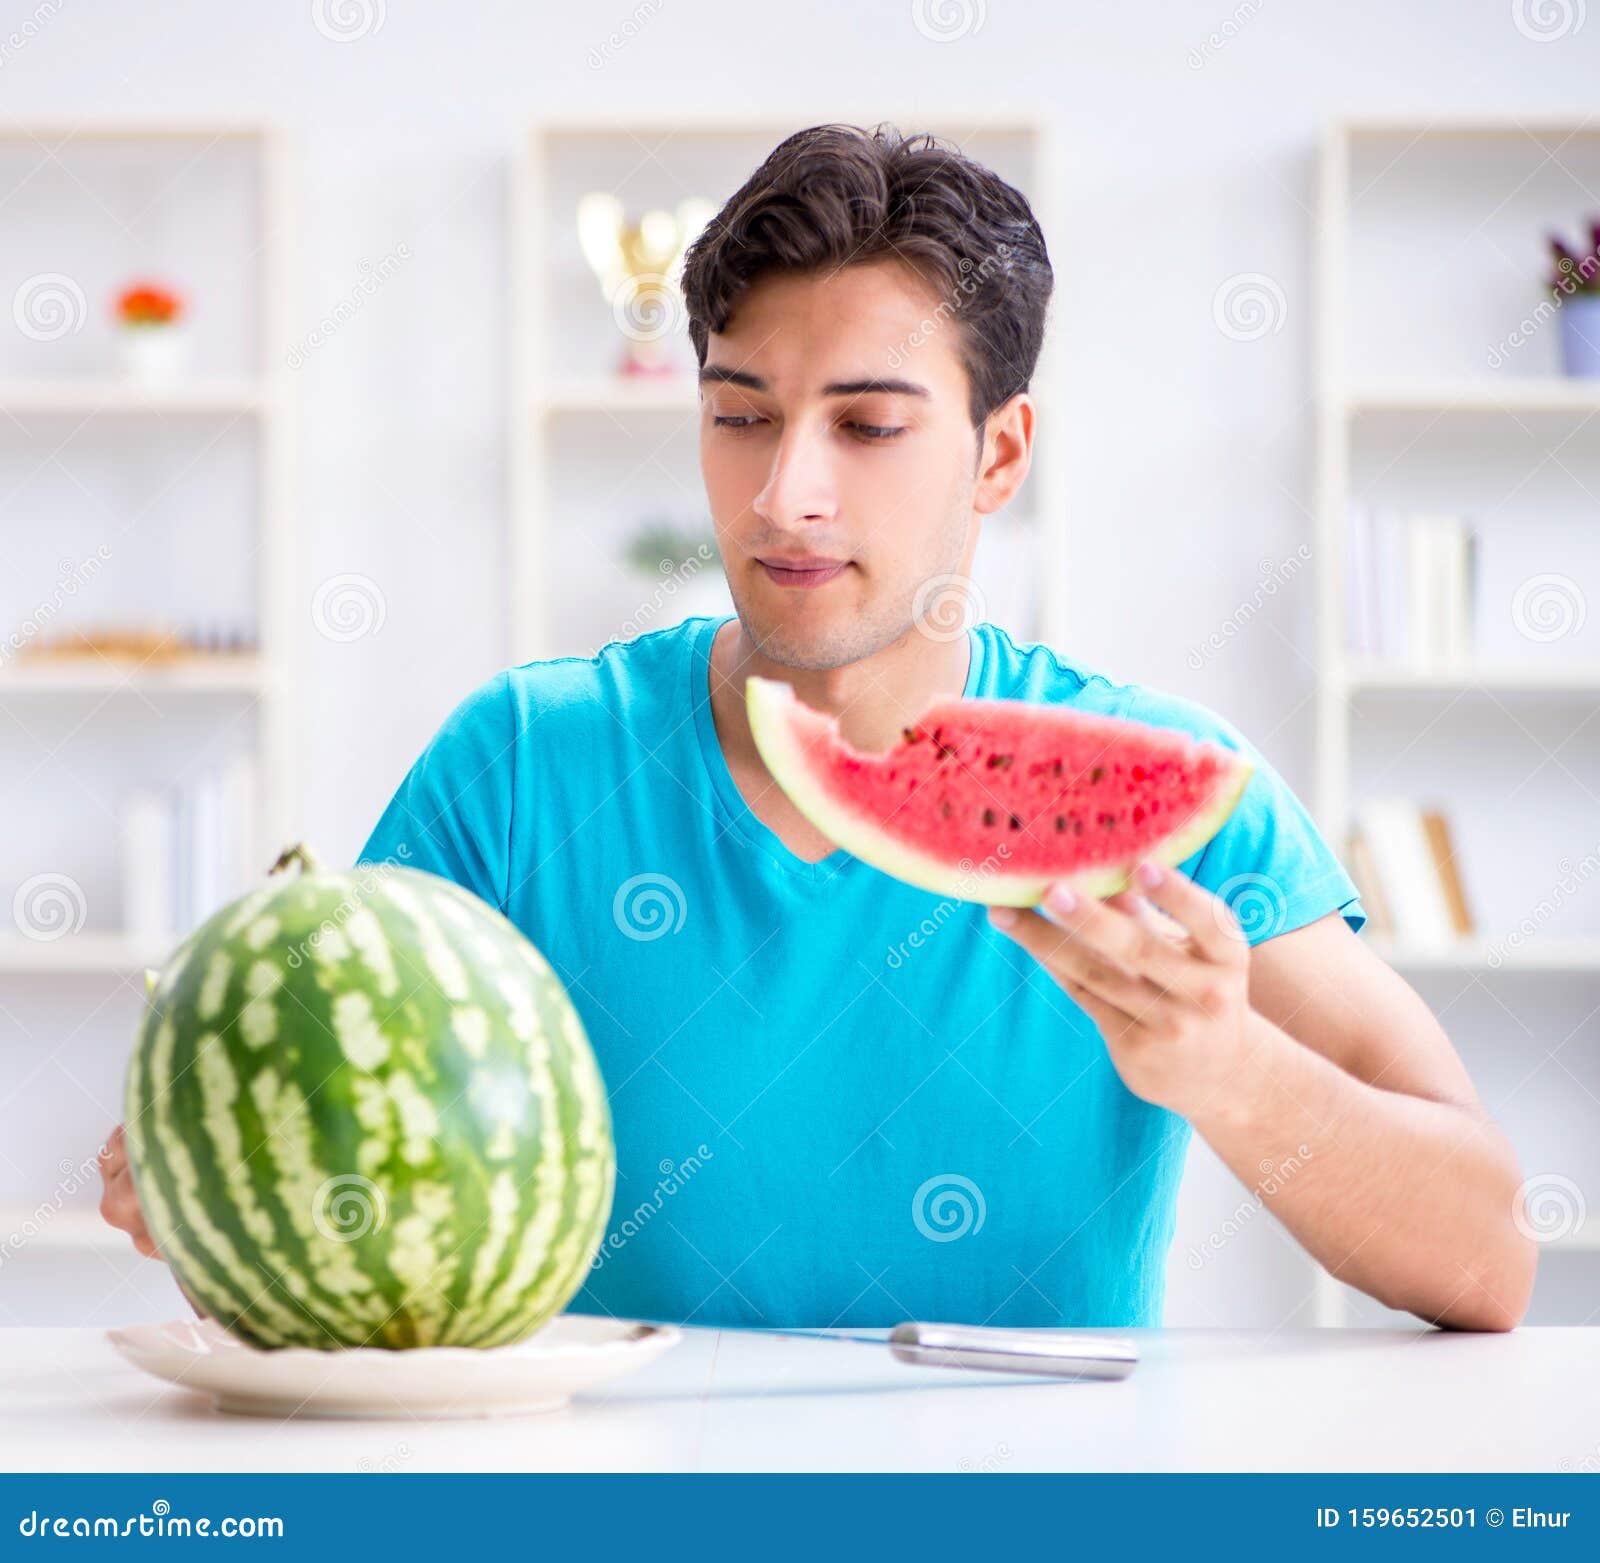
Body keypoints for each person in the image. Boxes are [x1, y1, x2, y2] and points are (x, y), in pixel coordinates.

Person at [99, 123, 1535, 1332]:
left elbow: (1489, 1260)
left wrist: (1229, 1065)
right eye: (743, 416)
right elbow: (339, 1147)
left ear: (1000, 454)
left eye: (866, 425)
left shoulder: (1178, 798)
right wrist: (218, 1175)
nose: (786, 493)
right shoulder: (525, 767)